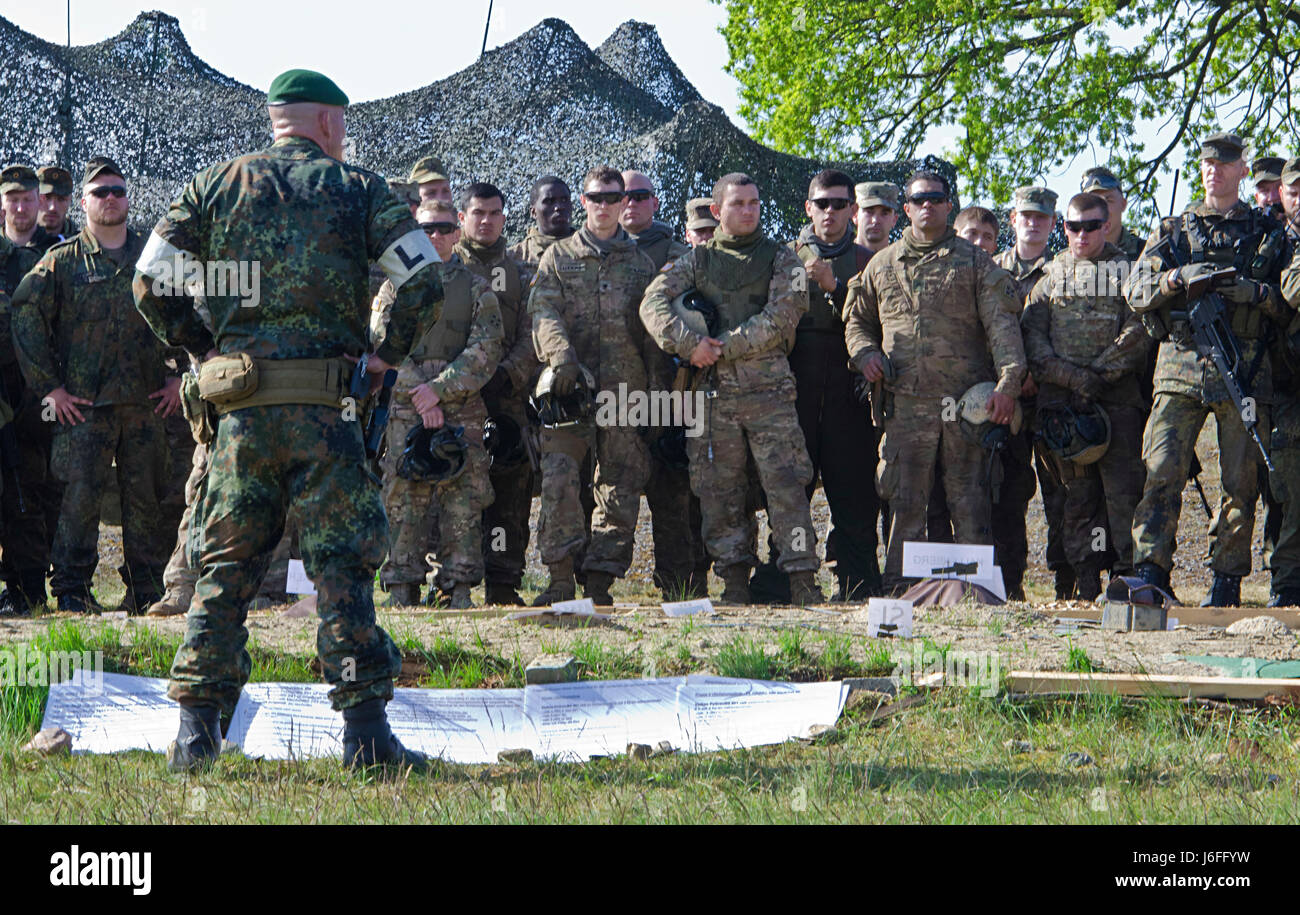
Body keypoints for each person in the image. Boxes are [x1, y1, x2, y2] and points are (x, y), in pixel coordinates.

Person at [133, 69, 444, 771]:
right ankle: (366, 737)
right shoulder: (360, 188)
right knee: (341, 568)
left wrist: (202, 346)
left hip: (240, 418)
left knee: (223, 569)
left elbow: (150, 280)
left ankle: (195, 738)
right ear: (329, 124)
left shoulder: (213, 185)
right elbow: (424, 278)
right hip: (330, 414)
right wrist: (388, 357)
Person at [640, 172, 821, 606]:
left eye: (754, 203)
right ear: (716, 212)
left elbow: (784, 315)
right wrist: (688, 345)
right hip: (714, 397)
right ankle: (734, 581)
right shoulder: (697, 261)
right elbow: (652, 302)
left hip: (771, 396)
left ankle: (802, 581)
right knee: (720, 491)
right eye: (738, 203)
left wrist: (720, 348)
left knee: (787, 489)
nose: (748, 210)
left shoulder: (784, 259)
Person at [1126, 132, 1291, 607]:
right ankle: (1150, 572)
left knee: (1240, 484)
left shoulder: (1267, 233)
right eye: (1206, 163)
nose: (1213, 170)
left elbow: (1287, 306)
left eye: (1224, 162)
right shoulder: (1174, 231)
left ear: (1243, 169)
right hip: (1180, 367)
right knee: (1161, 471)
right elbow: (1135, 292)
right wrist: (1176, 278)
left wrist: (1258, 296)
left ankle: (1226, 581)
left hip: (1244, 370)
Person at [844, 170, 1025, 591]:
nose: (928, 205)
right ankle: (899, 592)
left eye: (936, 199)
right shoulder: (881, 265)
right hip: (904, 406)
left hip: (965, 408)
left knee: (970, 503)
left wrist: (1008, 383)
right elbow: (857, 321)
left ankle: (978, 593)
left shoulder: (976, 263)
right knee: (904, 502)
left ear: (948, 206)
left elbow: (1002, 326)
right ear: (905, 209)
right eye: (919, 199)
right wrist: (865, 353)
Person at [11, 156, 175, 614]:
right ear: (83, 202)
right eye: (100, 192)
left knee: (146, 500)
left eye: (117, 191)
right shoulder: (61, 262)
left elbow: (187, 316)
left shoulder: (154, 258)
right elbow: (24, 317)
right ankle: (72, 591)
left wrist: (179, 376)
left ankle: (147, 591)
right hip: (83, 408)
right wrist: (49, 388)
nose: (110, 199)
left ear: (128, 198)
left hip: (146, 406)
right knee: (77, 500)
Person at [527, 165, 655, 605]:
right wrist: (561, 357)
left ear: (624, 203)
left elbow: (651, 334)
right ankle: (560, 579)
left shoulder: (642, 264)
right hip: (569, 392)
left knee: (620, 484)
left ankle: (600, 581)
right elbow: (544, 312)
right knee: (559, 480)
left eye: (612, 198)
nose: (604, 206)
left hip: (626, 392)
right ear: (584, 202)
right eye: (595, 198)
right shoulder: (558, 257)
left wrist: (659, 395)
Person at [1022, 193, 1149, 597]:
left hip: (1117, 403)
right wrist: (1074, 379)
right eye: (1074, 227)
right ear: (1065, 228)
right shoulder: (1051, 275)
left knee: (1123, 494)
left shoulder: (1128, 272)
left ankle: (1129, 579)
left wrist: (1098, 375)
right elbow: (1032, 337)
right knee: (1076, 498)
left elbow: (1140, 330)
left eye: (1092, 226)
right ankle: (1083, 582)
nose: (1082, 235)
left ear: (1107, 223)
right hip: (1063, 408)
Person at [377, 200, 502, 609]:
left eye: (444, 228)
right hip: (406, 405)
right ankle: (401, 586)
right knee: (403, 493)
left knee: (463, 494)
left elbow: (487, 347)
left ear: (457, 232)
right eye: (427, 228)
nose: (436, 236)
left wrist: (441, 390)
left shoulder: (477, 287)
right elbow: (381, 343)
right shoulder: (395, 285)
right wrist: (420, 393)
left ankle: (459, 587)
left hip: (461, 405)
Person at [783, 168, 878, 600]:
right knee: (790, 495)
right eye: (822, 204)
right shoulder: (784, 259)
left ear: (852, 211)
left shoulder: (868, 262)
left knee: (855, 495)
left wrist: (835, 288)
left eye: (840, 204)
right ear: (808, 208)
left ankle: (855, 583)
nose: (830, 212)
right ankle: (789, 579)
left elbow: (878, 323)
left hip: (849, 393)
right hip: (796, 390)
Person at [621, 169, 708, 599]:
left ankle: (681, 588)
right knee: (611, 492)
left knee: (676, 495)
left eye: (641, 195)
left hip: (673, 393)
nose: (631, 203)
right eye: (624, 196)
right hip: (617, 395)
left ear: (655, 202)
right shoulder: (600, 254)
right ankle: (591, 584)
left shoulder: (681, 256)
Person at [454, 182, 538, 606]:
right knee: (455, 488)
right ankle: (451, 579)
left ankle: (502, 581)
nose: (485, 221)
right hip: (456, 398)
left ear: (505, 218)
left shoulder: (522, 272)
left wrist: (510, 373)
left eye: (493, 213)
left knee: (508, 493)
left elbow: (533, 331)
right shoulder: (447, 266)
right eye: (477, 213)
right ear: (462, 217)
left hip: (506, 396)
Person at [0, 166, 64, 615]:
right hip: (2, 392)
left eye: (28, 199)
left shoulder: (58, 255)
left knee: (38, 485)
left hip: (42, 393)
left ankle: (30, 588)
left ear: (39, 203)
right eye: (13, 200)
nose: (21, 207)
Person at [992, 186, 1058, 600]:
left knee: (1061, 493)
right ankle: (1008, 584)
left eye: (1041, 217)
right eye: (1025, 216)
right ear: (1013, 220)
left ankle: (1069, 580)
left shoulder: (1067, 268)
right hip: (1008, 401)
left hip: (1054, 396)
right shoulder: (991, 268)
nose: (1032, 223)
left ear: (1053, 224)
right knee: (1008, 492)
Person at [509, 176, 574, 267]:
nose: (559, 207)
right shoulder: (512, 258)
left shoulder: (592, 251)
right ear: (533, 212)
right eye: (549, 201)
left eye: (564, 200)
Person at [853, 181, 899, 254]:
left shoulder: (903, 263)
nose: (876, 220)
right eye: (869, 212)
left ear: (894, 220)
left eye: (884, 213)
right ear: (855, 215)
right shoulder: (837, 259)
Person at [36, 166, 77, 240]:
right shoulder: (14, 245)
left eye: (61, 199)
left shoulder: (82, 247)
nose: (53, 207)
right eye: (47, 198)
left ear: (69, 201)